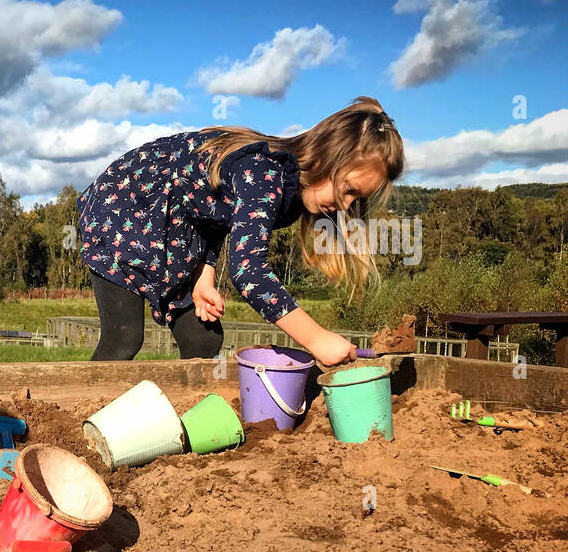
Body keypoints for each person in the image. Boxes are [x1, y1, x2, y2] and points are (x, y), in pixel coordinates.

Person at [78, 96, 405, 367]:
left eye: (357, 199)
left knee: (203, 337)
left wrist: (205, 275)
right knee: (124, 338)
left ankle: (183, 417)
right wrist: (316, 338)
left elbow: (218, 216)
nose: (347, 207)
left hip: (177, 231)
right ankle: (85, 417)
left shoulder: (287, 197)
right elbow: (248, 271)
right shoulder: (264, 174)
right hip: (126, 208)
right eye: (349, 189)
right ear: (328, 156)